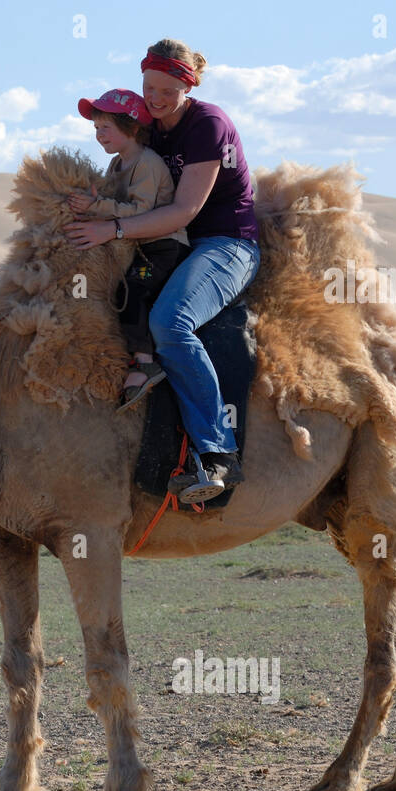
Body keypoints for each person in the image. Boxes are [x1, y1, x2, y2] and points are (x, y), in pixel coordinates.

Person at [64, 38, 261, 503]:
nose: (154, 97)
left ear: (187, 85)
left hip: (224, 244)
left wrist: (111, 228)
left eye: (167, 89)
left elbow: (184, 211)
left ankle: (218, 454)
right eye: (148, 86)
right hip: (169, 244)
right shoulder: (150, 127)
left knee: (170, 322)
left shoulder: (206, 124)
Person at [67, 89, 191, 411]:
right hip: (137, 243)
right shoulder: (115, 165)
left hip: (163, 245)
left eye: (106, 128)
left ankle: (145, 361)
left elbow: (139, 211)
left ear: (132, 128)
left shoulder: (146, 163)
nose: (99, 135)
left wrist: (98, 205)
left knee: (134, 289)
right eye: (96, 129)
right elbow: (113, 203)